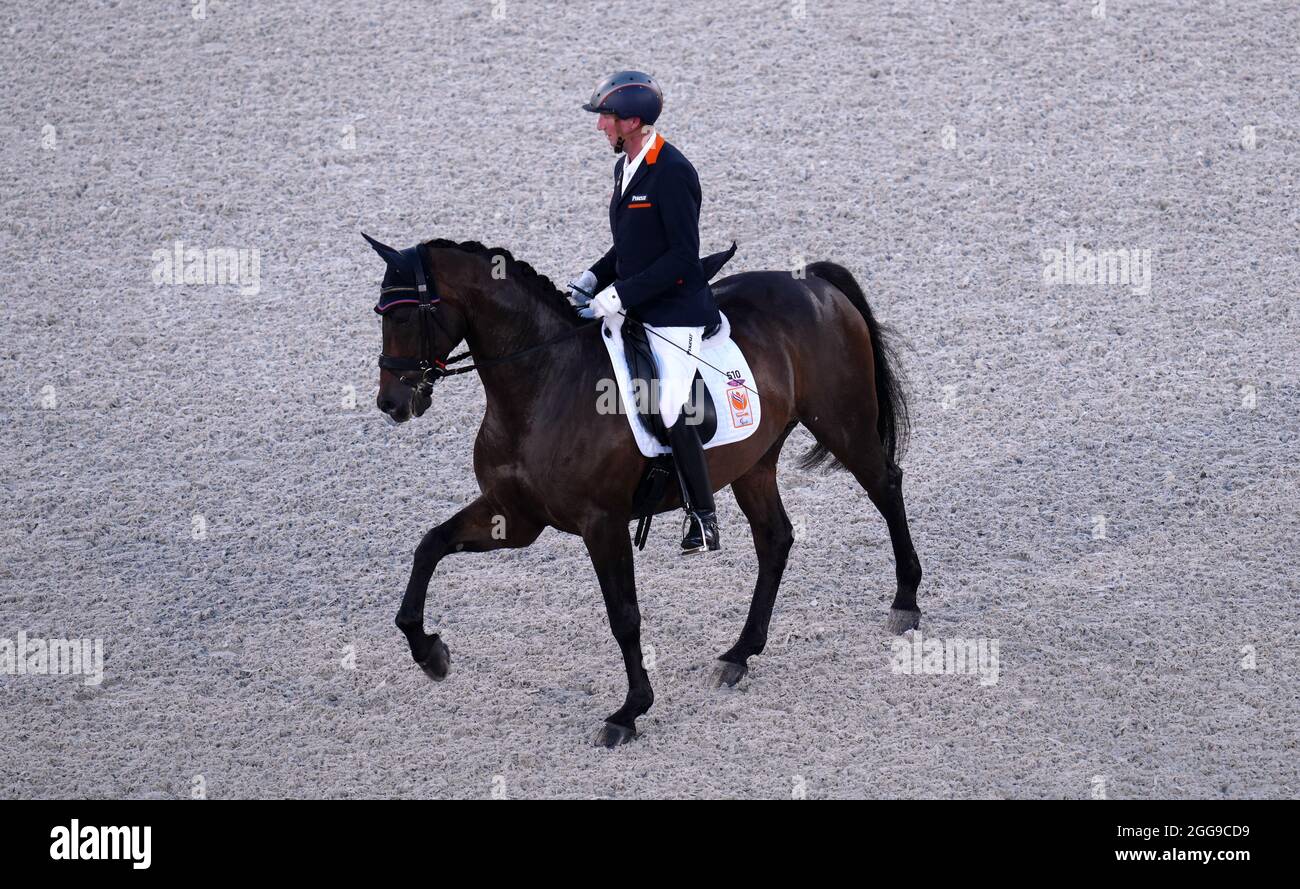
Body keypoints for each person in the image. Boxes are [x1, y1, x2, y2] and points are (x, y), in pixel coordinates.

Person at [568, 70, 721, 554]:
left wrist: (621, 295)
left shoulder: (673, 171)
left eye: (607, 120)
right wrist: (596, 277)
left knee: (673, 404)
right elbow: (629, 246)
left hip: (675, 311)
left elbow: (680, 257)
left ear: (632, 121)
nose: (601, 129)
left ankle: (704, 518)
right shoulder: (625, 167)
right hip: (635, 302)